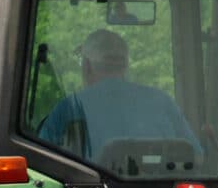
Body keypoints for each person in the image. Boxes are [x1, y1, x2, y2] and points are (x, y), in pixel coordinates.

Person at [38, 29, 201, 160]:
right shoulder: (162, 102)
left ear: (87, 66)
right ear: (125, 65)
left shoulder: (70, 107)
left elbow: (41, 160)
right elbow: (196, 157)